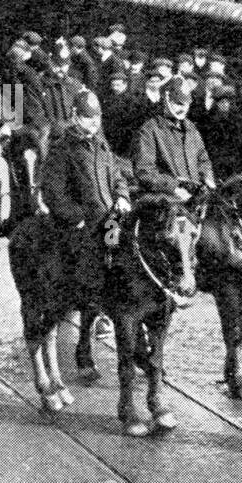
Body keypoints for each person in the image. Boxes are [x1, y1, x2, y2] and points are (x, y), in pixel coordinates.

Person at [42, 90, 132, 315]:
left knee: (120, 256)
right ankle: (93, 311)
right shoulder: (62, 148)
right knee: (91, 268)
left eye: (97, 117)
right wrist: (76, 217)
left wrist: (122, 196)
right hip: (83, 224)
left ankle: (117, 306)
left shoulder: (101, 145)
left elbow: (118, 175)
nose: (94, 122)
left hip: (110, 219)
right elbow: (53, 192)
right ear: (74, 116)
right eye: (87, 117)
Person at [131, 77, 216, 202]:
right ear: (166, 100)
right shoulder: (150, 130)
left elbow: (202, 159)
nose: (183, 108)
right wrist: (173, 188)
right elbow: (145, 171)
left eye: (186, 104)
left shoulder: (190, 128)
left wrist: (207, 177)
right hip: (165, 200)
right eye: (178, 103)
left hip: (194, 199)